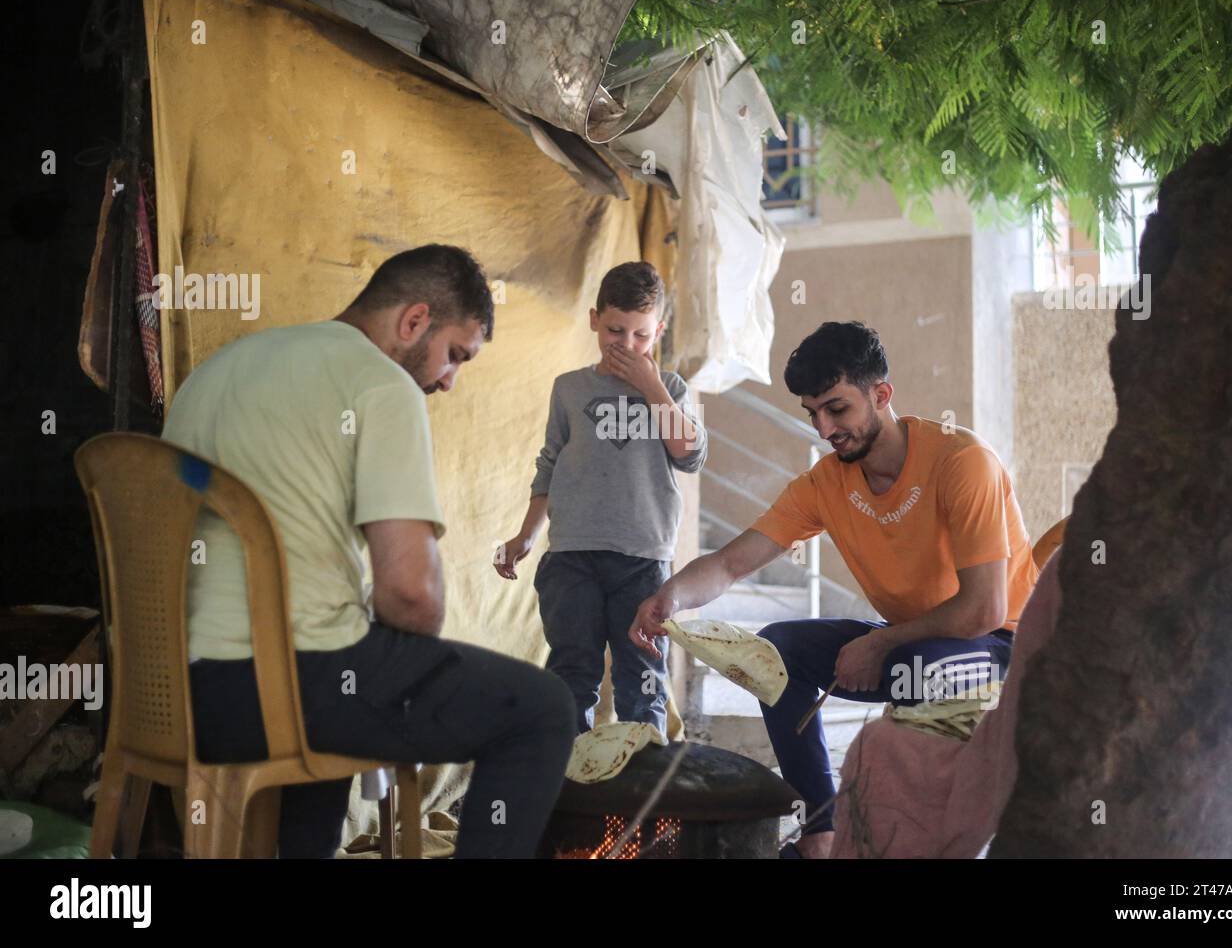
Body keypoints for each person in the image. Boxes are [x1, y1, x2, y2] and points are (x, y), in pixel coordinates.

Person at [163, 244, 576, 858]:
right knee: (542, 708)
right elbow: (411, 595)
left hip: (171, 688)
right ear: (414, 322)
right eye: (455, 355)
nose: (449, 380)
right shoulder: (382, 385)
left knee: (348, 664)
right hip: (280, 692)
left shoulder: (220, 367)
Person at [628, 321, 1037, 858]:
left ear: (881, 395)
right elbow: (731, 563)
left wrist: (882, 644)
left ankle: (912, 844)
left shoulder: (963, 462)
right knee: (775, 651)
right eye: (813, 413)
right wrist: (670, 598)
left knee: (925, 666)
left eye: (837, 409)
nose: (824, 428)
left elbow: (986, 608)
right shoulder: (826, 483)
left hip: (1002, 646)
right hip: (914, 641)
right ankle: (821, 832)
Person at [494, 262, 707, 737]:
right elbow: (549, 464)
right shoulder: (569, 388)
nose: (627, 346)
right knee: (571, 672)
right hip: (572, 557)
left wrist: (652, 386)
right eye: (615, 330)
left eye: (641, 336)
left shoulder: (670, 389)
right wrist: (526, 535)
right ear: (594, 320)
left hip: (642, 561)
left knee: (642, 678)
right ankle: (570, 787)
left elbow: (689, 455)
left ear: (660, 331)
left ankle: (643, 795)